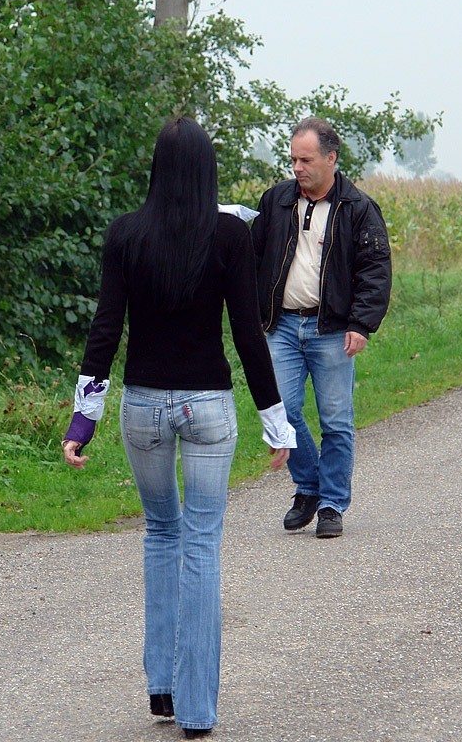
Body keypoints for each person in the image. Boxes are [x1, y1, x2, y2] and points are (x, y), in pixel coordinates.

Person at [62, 117, 296, 739]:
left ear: (158, 169)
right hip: (208, 410)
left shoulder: (126, 235)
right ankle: (197, 709)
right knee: (201, 543)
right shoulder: (229, 236)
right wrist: (278, 422)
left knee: (161, 534)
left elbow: (104, 331)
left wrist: (83, 420)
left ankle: (161, 688)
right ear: (208, 170)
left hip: (141, 409)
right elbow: (248, 334)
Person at [251, 117, 392, 539]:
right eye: (293, 158)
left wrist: (362, 323)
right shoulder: (275, 201)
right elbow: (250, 256)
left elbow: (376, 270)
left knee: (336, 420)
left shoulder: (359, 209)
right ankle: (310, 487)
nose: (297, 167)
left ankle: (331, 504)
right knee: (283, 411)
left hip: (332, 330)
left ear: (331, 158)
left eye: (306, 159)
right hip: (281, 327)